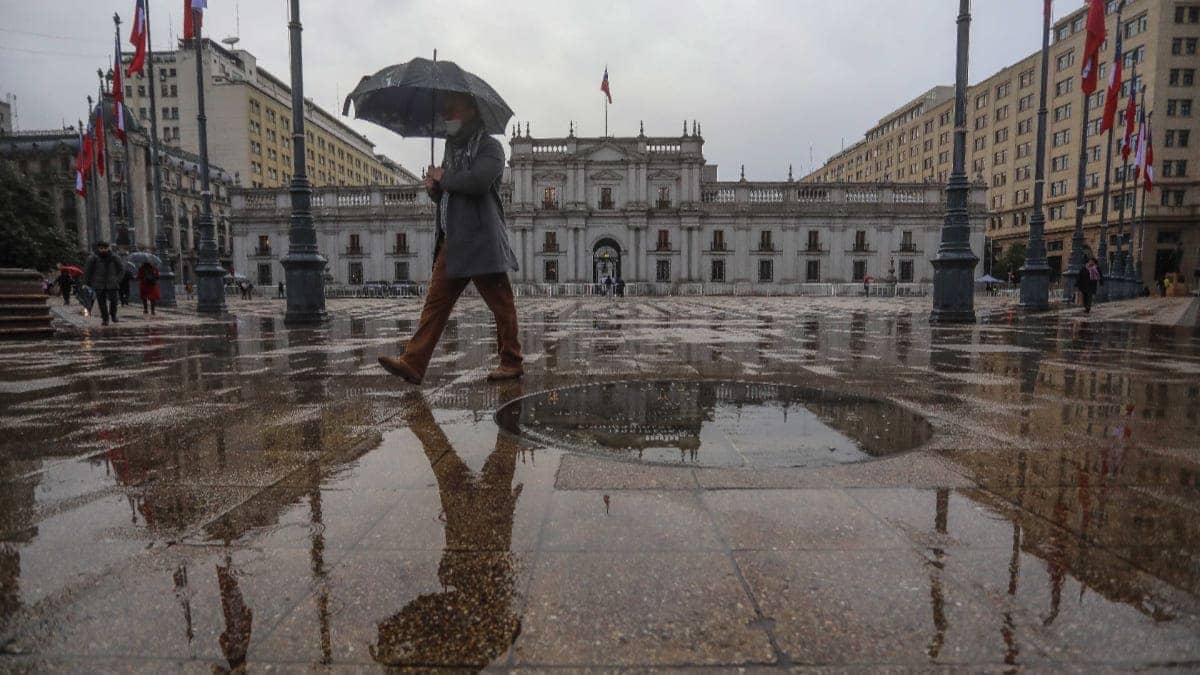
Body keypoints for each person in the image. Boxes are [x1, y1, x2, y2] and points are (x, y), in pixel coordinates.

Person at [378, 92, 522, 385]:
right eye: (444, 112)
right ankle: (413, 362)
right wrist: (435, 189)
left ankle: (511, 361)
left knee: (501, 304)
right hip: (452, 240)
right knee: (435, 305)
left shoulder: (490, 148)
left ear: (471, 110)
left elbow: (479, 181)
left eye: (451, 111)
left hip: (481, 240)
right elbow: (450, 193)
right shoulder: (450, 150)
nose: (446, 118)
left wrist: (445, 178)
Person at [82, 241, 125, 326]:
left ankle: (113, 315)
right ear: (98, 248)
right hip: (98, 283)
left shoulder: (114, 257)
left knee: (114, 300)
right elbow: (87, 271)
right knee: (101, 303)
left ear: (108, 248)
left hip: (112, 283)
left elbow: (121, 269)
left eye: (105, 248)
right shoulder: (93, 258)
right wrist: (87, 282)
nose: (103, 250)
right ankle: (105, 318)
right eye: (101, 248)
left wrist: (117, 280)